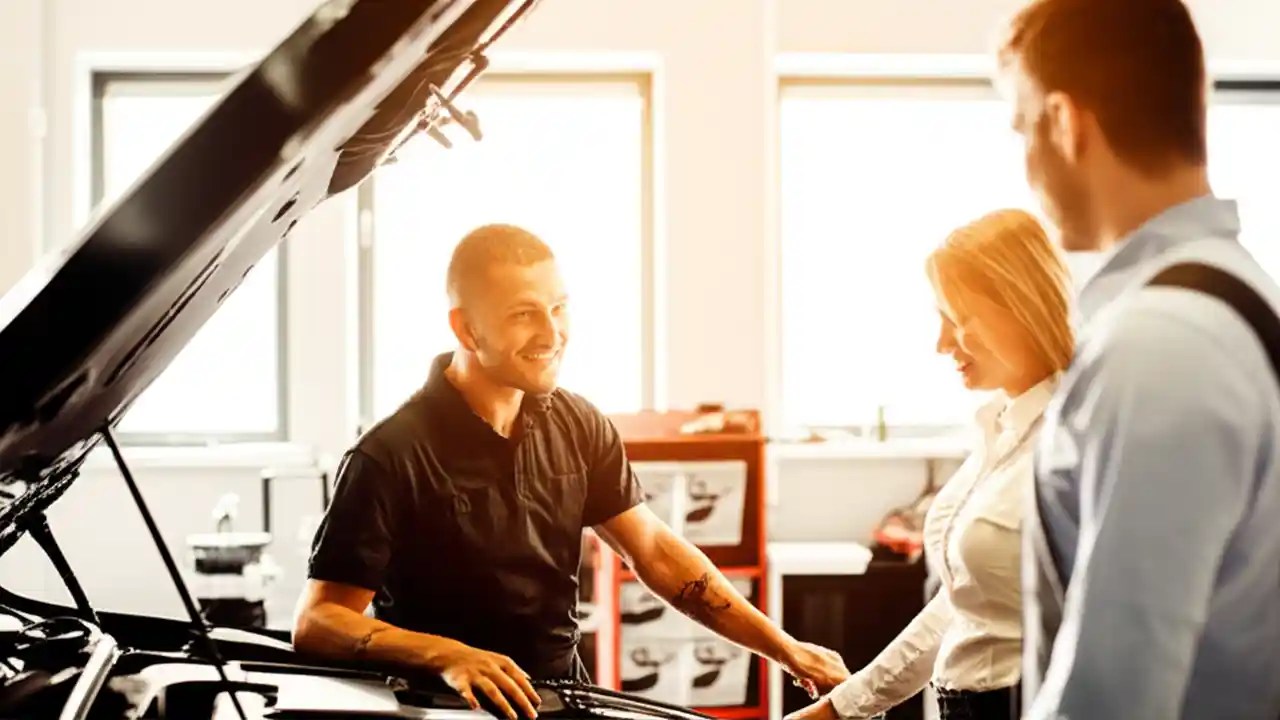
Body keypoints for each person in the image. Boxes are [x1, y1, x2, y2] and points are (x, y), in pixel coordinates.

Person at [292, 223, 849, 720]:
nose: (552, 333)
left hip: (561, 700)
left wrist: (784, 648)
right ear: (466, 330)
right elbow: (319, 621)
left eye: (559, 307)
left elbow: (655, 552)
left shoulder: (579, 423)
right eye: (523, 314)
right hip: (440, 708)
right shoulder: (389, 455)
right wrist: (446, 655)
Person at [995, 1, 1280, 718]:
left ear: (1065, 123)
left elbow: (1112, 697)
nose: (1026, 159)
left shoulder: (1158, 347)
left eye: (1024, 127)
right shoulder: (1239, 297)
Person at [786, 209, 1076, 720]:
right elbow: (960, 605)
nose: (942, 343)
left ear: (1019, 306)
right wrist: (841, 709)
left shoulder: (1072, 440)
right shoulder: (996, 429)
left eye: (957, 318)